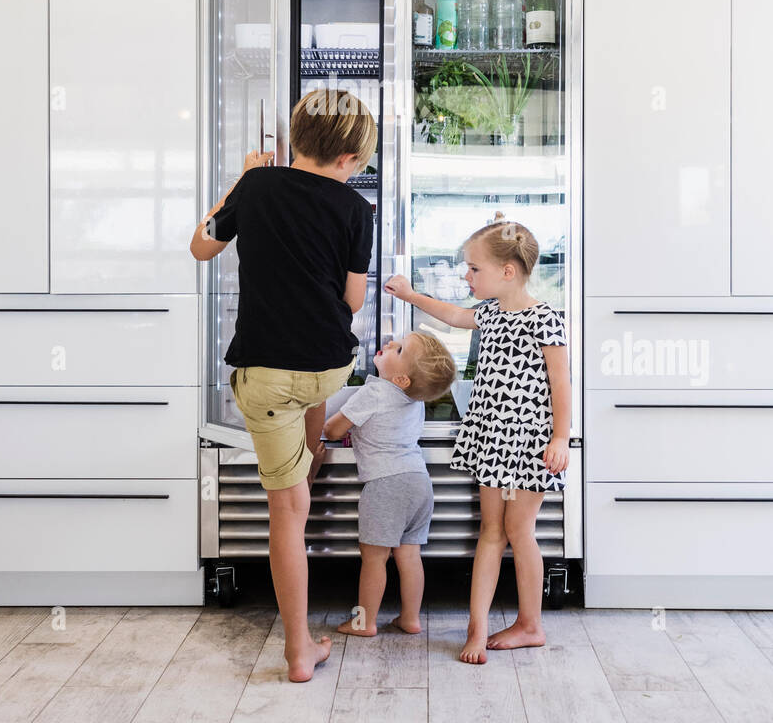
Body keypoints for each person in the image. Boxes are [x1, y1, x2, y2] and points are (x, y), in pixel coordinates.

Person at [190, 88, 377, 682]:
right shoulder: (356, 210)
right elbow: (350, 303)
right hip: (327, 366)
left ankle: (299, 653)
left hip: (267, 376)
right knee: (310, 421)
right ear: (349, 161)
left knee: (286, 513)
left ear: (293, 140)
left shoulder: (258, 187)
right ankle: (305, 468)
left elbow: (201, 246)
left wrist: (240, 180)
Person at [385, 217, 571, 665]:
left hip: (529, 443)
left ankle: (531, 624)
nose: (466, 277)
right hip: (490, 437)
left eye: (473, 269)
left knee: (518, 531)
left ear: (508, 271)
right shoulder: (487, 313)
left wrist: (561, 436)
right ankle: (477, 626)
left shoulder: (545, 318)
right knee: (491, 532)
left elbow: (561, 383)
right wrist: (410, 295)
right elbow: (451, 314)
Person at [321, 331, 455, 638]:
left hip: (386, 484)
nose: (389, 342)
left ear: (401, 380)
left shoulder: (375, 392)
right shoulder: (415, 401)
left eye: (398, 349)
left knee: (374, 558)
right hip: (419, 482)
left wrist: (330, 425)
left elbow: (332, 429)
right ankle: (410, 618)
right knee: (409, 555)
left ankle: (364, 621)